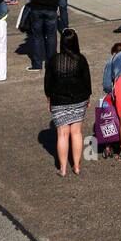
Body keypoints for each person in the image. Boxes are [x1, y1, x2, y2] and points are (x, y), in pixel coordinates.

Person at [44, 28, 92, 176]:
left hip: (59, 100)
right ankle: (76, 166)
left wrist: (49, 98)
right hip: (79, 99)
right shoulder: (81, 60)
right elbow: (87, 81)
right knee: (76, 132)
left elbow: (48, 83)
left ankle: (63, 168)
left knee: (62, 135)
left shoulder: (53, 60)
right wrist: (88, 97)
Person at [23, 0, 62, 71]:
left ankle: (37, 64)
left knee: (37, 36)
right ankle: (52, 63)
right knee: (51, 35)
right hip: (50, 9)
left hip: (37, 9)